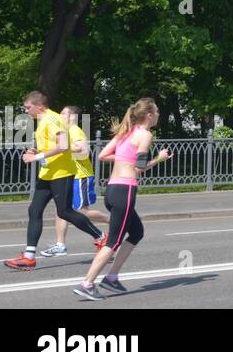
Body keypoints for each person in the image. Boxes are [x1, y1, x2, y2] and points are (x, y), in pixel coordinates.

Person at [74, 97, 172, 300]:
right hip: (125, 190)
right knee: (114, 240)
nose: (159, 116)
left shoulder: (124, 132)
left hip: (112, 190)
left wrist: (123, 159)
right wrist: (159, 159)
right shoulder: (145, 134)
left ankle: (112, 277)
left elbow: (102, 155)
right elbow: (140, 167)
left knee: (136, 232)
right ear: (149, 115)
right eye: (158, 112)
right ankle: (87, 283)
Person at [5, 92, 106, 272]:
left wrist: (37, 157)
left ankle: (100, 237)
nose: (26, 111)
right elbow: (53, 145)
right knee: (34, 209)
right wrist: (38, 151)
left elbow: (64, 145)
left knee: (65, 211)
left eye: (28, 107)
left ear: (40, 106)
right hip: (48, 172)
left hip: (61, 172)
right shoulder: (44, 121)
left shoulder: (52, 119)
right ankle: (29, 257)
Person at [39, 106, 111, 258]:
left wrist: (65, 149)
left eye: (63, 113)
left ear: (72, 117)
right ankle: (60, 245)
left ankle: (114, 222)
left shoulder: (74, 130)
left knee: (81, 211)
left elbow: (83, 150)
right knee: (61, 210)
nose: (60, 115)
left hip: (80, 175)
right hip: (67, 175)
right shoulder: (63, 131)